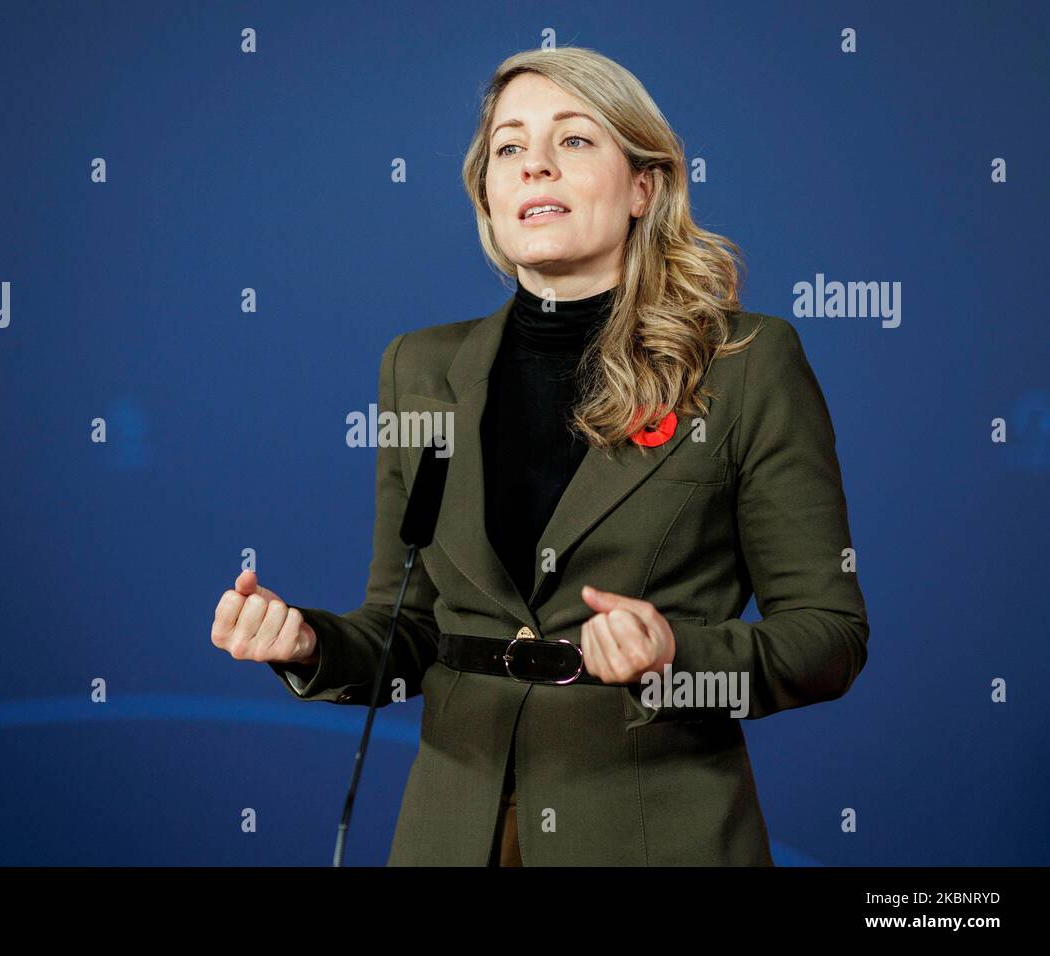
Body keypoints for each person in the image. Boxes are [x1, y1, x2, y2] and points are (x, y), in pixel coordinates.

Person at [212, 46, 869, 866]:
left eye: (576, 140)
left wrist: (677, 655)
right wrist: (306, 644)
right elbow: (406, 633)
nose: (536, 166)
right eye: (510, 147)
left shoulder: (747, 361)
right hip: (451, 832)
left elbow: (829, 636)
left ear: (644, 187)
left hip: (655, 833)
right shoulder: (418, 370)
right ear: (487, 191)